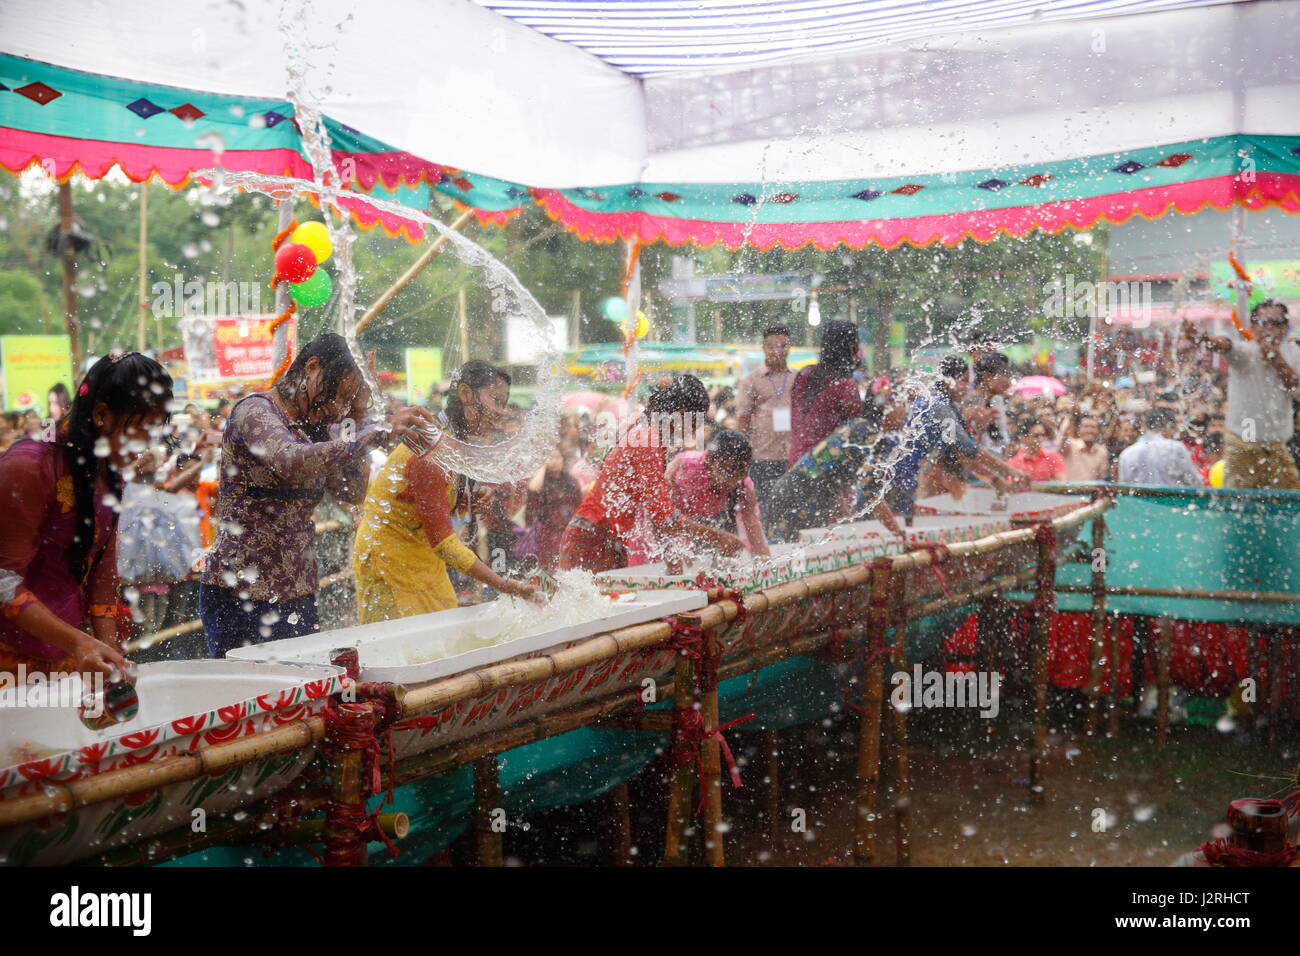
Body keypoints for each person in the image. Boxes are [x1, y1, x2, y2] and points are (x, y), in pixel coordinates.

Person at [200, 333, 432, 655]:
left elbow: (351, 491)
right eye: (337, 396)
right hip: (239, 595)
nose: (337, 408)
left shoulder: (319, 429)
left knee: (305, 699)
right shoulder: (255, 412)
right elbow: (290, 461)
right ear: (312, 368)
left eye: (346, 401)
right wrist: (374, 434)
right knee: (245, 700)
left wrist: (359, 414)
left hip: (298, 593)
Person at [0, 352, 171, 679]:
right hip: (9, 659)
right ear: (102, 415)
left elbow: (103, 578)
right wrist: (81, 644)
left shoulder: (109, 469)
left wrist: (110, 661)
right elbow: (3, 582)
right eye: (141, 429)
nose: (148, 444)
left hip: (67, 654)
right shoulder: (28, 467)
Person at [352, 361, 538, 623]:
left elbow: (429, 502)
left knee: (442, 640)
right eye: (495, 399)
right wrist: (504, 585)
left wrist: (465, 500)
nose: (500, 411)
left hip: (421, 558)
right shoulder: (430, 448)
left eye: (503, 402)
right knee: (407, 649)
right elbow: (444, 543)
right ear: (464, 394)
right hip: (389, 561)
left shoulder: (449, 440)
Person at [559, 375, 746, 573]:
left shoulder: (652, 439)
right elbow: (663, 517)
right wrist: (718, 537)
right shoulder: (647, 439)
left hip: (609, 539)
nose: (695, 430)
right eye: (695, 422)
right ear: (682, 414)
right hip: (592, 536)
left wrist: (669, 553)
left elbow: (656, 509)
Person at [1184, 300, 1300, 489]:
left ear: (1285, 326)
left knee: (1291, 499)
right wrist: (1205, 339)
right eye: (1263, 322)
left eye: (1276, 322)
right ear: (1253, 327)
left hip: (1278, 446)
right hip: (1242, 445)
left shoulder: (1294, 353)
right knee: (1238, 503)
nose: (1269, 327)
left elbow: (1296, 390)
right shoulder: (1246, 351)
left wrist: (1275, 358)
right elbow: (1225, 345)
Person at [767, 400, 909, 543]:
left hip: (793, 492)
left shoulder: (861, 425)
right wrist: (899, 535)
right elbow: (871, 494)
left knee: (797, 555)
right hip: (800, 498)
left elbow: (832, 478)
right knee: (792, 555)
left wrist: (848, 524)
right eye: (901, 404)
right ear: (887, 406)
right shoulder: (870, 434)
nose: (905, 412)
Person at [659, 429, 770, 559]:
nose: (732, 479)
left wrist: (765, 564)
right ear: (709, 462)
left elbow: (753, 527)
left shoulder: (744, 487)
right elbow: (662, 512)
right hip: (673, 521)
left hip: (708, 523)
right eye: (727, 471)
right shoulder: (686, 466)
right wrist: (717, 537)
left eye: (740, 472)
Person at [788, 319, 863, 464]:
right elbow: (856, 427)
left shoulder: (805, 374)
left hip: (797, 461)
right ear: (850, 346)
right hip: (825, 465)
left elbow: (796, 417)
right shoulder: (844, 385)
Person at [735, 325, 795, 504]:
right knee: (765, 508)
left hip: (792, 456)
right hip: (762, 456)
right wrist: (741, 456)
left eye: (783, 345)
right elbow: (743, 419)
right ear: (764, 348)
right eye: (772, 346)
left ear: (789, 347)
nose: (777, 350)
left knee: (791, 507)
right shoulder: (751, 380)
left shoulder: (797, 378)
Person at [525, 449, 584, 572]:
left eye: (557, 457)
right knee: (549, 566)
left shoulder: (570, 480)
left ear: (563, 459)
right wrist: (542, 467)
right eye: (550, 458)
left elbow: (579, 505)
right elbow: (532, 488)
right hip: (548, 532)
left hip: (568, 530)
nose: (554, 461)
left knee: (569, 566)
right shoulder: (542, 481)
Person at [1117, 407, 1202, 486]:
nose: (1175, 432)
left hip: (1137, 501)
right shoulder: (1175, 448)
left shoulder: (1127, 453)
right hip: (1170, 501)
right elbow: (1194, 482)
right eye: (1174, 428)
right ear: (1167, 426)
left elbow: (1124, 488)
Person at [961, 352, 1013, 456]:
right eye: (1004, 374)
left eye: (1009, 375)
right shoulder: (968, 403)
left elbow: (1001, 438)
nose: (1008, 381)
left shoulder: (996, 400)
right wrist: (979, 429)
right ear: (987, 376)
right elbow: (966, 449)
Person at [1008, 418, 1065, 482]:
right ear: (1023, 437)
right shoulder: (1014, 462)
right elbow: (1012, 488)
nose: (1041, 439)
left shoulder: (1054, 457)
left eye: (1043, 435)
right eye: (1036, 436)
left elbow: (1061, 485)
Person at [1059, 414, 1110, 482]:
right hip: (1069, 490)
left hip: (1091, 491)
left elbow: (1102, 477)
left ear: (1098, 431)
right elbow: (1063, 435)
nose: (1089, 430)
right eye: (1085, 427)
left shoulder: (1102, 451)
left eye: (1093, 427)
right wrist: (1070, 416)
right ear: (1079, 430)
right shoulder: (1071, 445)